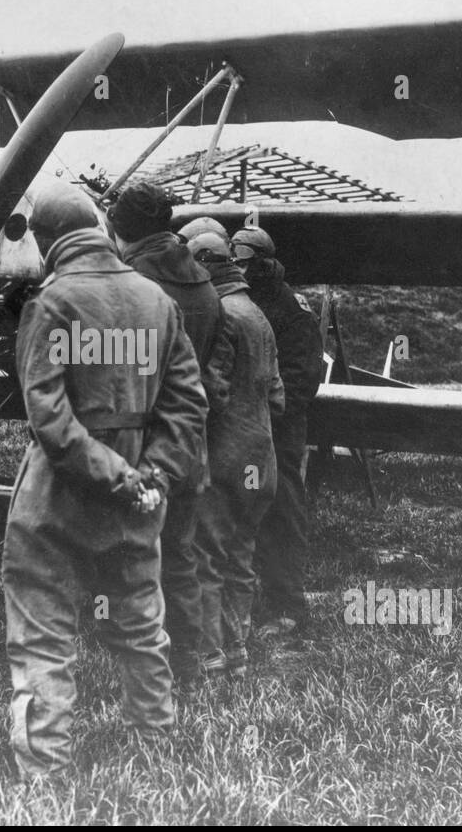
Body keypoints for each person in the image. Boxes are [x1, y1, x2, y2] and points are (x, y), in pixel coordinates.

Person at [2, 182, 207, 780]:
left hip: (59, 498)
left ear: (45, 239)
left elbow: (50, 420)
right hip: (143, 496)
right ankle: (156, 745)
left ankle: (45, 774)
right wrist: (153, 478)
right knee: (142, 625)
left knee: (44, 633)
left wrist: (115, 478)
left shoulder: (51, 302)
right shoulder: (156, 300)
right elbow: (188, 405)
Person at [108, 181, 225, 682]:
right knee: (180, 552)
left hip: (142, 440)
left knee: (133, 552)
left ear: (123, 227)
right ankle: (190, 657)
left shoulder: (131, 283)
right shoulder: (201, 278)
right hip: (189, 441)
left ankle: (143, 660)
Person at [181, 223, 284, 676]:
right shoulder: (258, 314)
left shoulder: (221, 314)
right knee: (241, 555)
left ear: (204, 264)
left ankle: (209, 655)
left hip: (225, 456)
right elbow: (277, 395)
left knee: (205, 555)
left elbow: (212, 392)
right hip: (261, 458)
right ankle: (238, 650)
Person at [228, 225, 324, 638]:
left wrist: (270, 413)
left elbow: (304, 378)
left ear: (263, 264)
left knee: (283, 511)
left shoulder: (292, 310)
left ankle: (288, 606)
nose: (237, 267)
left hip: (280, 428)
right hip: (250, 424)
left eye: (244, 260)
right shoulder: (245, 302)